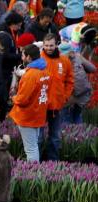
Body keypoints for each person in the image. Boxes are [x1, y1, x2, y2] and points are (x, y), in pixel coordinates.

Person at [9, 44, 50, 162]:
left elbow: (22, 99)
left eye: (23, 55)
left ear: (29, 57)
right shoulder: (44, 70)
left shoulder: (31, 75)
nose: (21, 58)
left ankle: (32, 173)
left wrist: (13, 97)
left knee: (31, 149)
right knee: (34, 145)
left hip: (28, 116)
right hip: (38, 113)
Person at [41, 33, 73, 161]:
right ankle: (35, 164)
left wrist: (64, 97)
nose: (49, 48)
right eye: (47, 45)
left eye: (51, 45)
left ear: (56, 45)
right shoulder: (38, 59)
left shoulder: (64, 60)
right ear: (43, 45)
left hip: (57, 105)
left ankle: (53, 163)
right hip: (41, 105)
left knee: (55, 137)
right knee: (38, 137)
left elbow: (70, 80)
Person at [0, 11, 23, 120]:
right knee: (3, 97)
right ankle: (1, 118)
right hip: (3, 71)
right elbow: (4, 55)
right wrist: (19, 56)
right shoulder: (5, 36)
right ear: (12, 24)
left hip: (7, 70)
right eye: (18, 25)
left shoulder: (11, 34)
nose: (20, 27)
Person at [61, 42, 96, 124]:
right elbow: (93, 69)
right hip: (83, 95)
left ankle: (68, 136)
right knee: (78, 118)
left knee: (66, 121)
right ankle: (81, 136)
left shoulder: (60, 62)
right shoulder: (78, 56)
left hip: (69, 98)